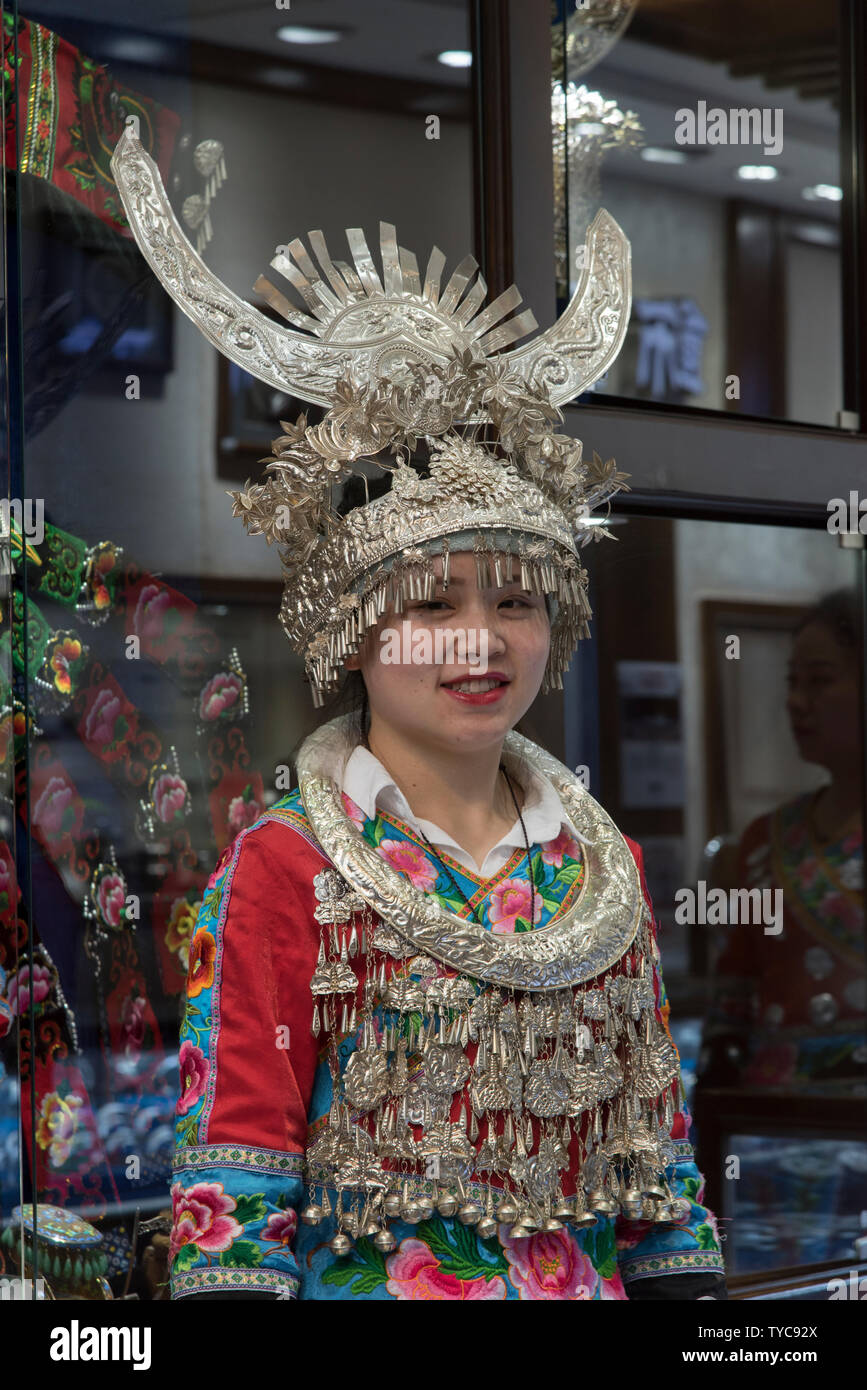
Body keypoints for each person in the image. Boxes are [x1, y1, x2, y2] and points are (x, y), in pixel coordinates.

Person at [111, 123, 727, 1300]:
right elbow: (231, 1221)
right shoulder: (285, 871)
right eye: (433, 598)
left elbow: (661, 1199)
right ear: (355, 628)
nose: (482, 638)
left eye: (517, 599)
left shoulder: (603, 870)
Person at [699, 590, 865, 1094]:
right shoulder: (763, 842)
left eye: (819, 681)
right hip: (773, 1123)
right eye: (793, 682)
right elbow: (733, 999)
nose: (796, 701)